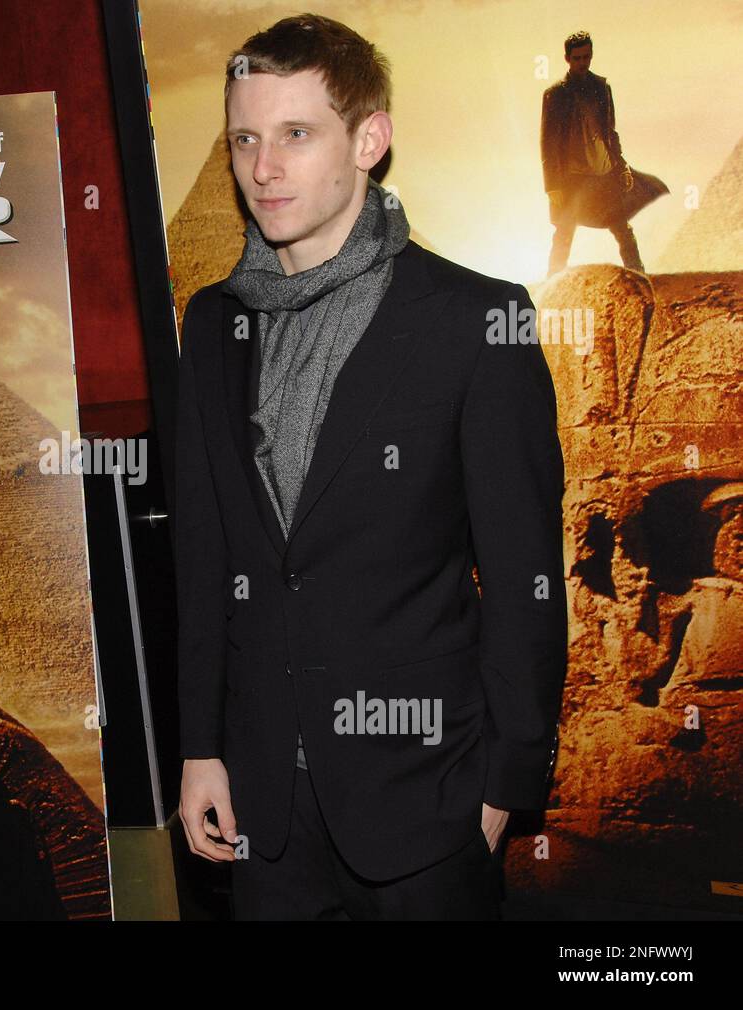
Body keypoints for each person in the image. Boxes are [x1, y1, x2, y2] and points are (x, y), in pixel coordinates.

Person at [174, 13, 568, 920]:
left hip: (427, 802)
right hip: (263, 805)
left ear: (369, 139)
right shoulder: (213, 325)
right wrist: (202, 746)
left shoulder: (476, 322)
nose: (262, 168)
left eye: (296, 134)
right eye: (244, 138)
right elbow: (206, 557)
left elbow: (524, 578)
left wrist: (505, 785)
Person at [541, 31, 666, 276]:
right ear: (567, 58)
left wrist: (622, 166)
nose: (582, 62)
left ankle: (639, 275)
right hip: (571, 177)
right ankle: (551, 283)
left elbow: (610, 132)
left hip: (603, 171)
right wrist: (552, 185)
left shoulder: (601, 87)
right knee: (564, 231)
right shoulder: (555, 94)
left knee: (621, 226)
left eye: (586, 57)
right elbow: (548, 143)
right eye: (577, 58)